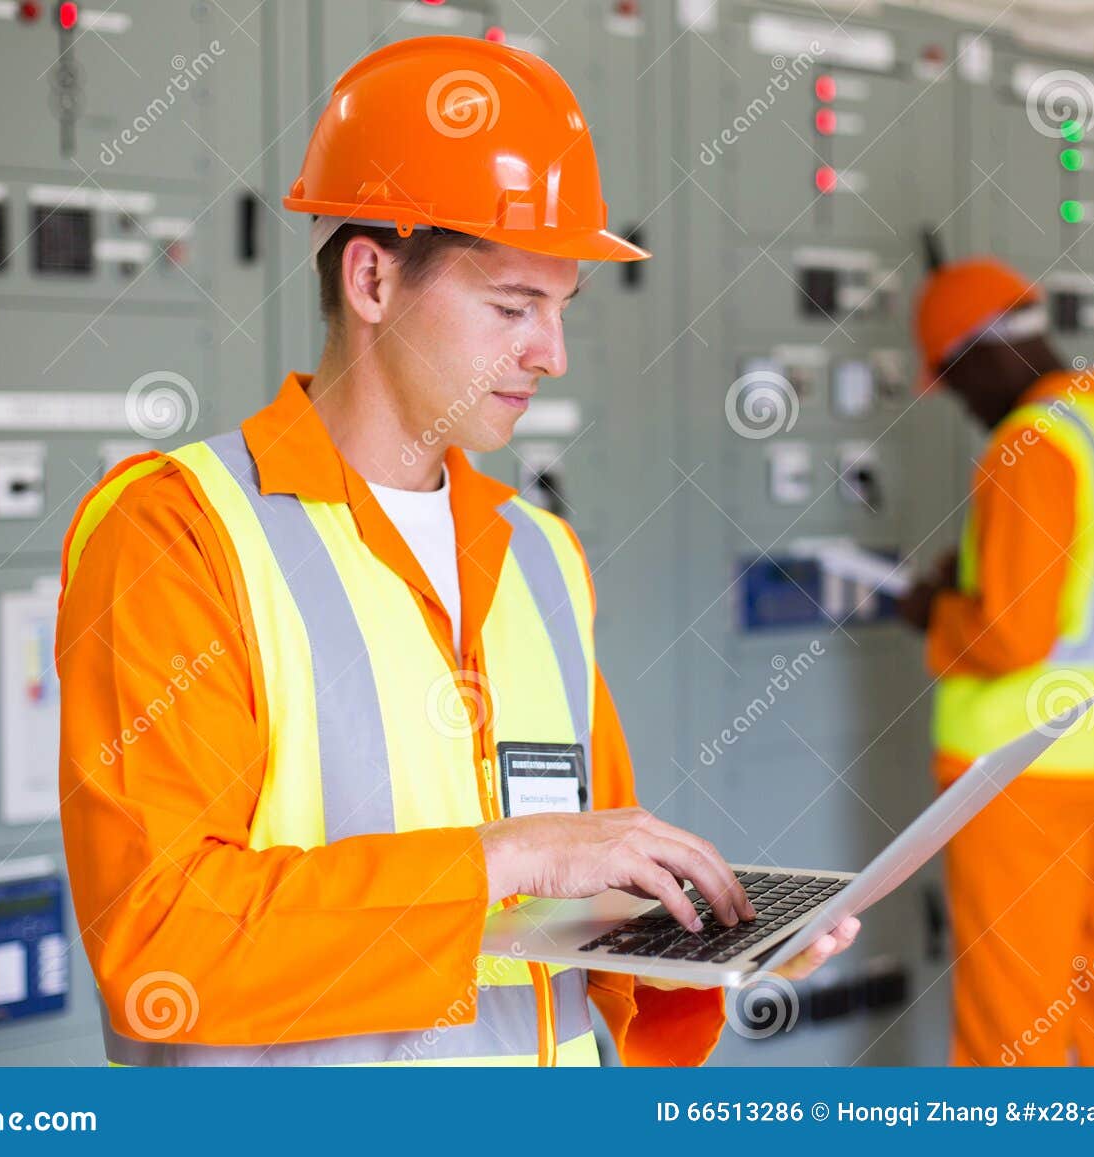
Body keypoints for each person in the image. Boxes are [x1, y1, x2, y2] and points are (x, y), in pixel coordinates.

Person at [54, 35, 857, 1068]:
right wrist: (511, 853)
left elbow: (583, 912)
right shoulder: (180, 532)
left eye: (561, 309)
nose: (550, 353)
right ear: (373, 278)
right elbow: (164, 937)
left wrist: (708, 951)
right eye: (512, 306)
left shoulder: (540, 556)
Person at [896, 256, 1094, 1066]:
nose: (968, 409)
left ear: (977, 357)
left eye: (957, 386)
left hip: (1018, 769)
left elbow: (1012, 637)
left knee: (1012, 1007)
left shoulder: (1031, 444)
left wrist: (931, 609)